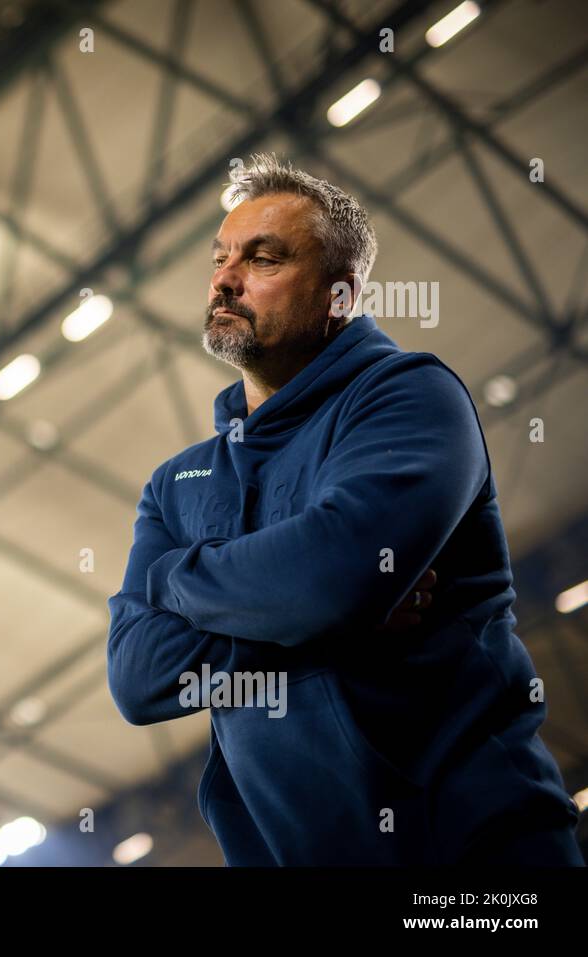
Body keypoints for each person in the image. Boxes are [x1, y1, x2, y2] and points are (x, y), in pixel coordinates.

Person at [106, 152, 584, 866]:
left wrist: (177, 581)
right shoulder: (177, 484)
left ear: (339, 296)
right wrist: (328, 617)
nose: (226, 278)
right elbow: (139, 676)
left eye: (264, 258)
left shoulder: (409, 396)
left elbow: (331, 577)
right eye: (221, 257)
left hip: (472, 855)